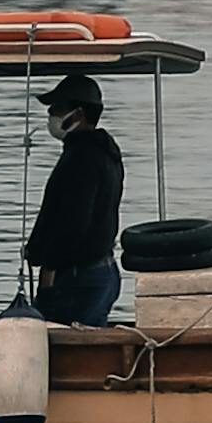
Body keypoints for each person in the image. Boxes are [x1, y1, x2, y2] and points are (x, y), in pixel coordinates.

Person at [20, 71, 125, 326]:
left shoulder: (81, 159)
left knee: (58, 342)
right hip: (102, 271)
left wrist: (49, 267)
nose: (50, 114)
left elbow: (73, 221)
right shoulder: (106, 153)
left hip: (77, 278)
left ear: (78, 114)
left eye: (57, 108)